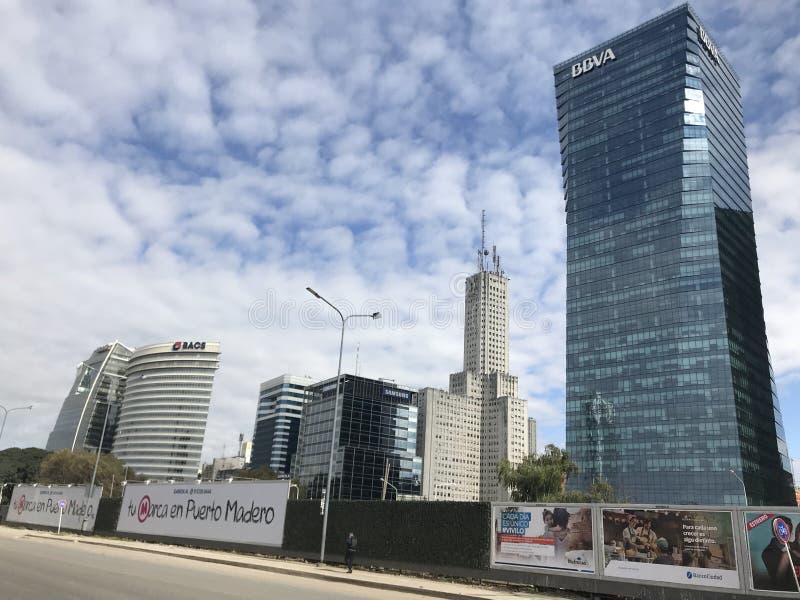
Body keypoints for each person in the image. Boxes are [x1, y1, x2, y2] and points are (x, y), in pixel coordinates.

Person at [761, 516, 796, 591]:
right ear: (775, 532)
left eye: (787, 530)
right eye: (781, 530)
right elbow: (778, 581)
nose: (783, 533)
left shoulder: (795, 545)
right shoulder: (768, 553)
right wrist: (786, 557)